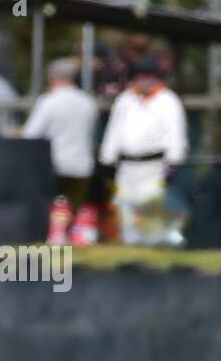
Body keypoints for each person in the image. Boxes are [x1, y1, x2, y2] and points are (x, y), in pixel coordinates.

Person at [98, 56, 189, 246]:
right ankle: (130, 244)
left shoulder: (167, 100)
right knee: (125, 204)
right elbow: (114, 130)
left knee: (150, 205)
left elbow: (175, 131)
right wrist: (107, 158)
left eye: (150, 75)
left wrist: (174, 162)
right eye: (141, 75)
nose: (145, 80)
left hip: (154, 164)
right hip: (127, 164)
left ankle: (151, 245)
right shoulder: (126, 99)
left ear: (157, 77)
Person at [23, 58, 98, 243]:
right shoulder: (88, 102)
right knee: (74, 208)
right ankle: (77, 240)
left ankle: (58, 240)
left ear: (53, 78)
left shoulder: (48, 102)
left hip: (55, 164)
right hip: (83, 164)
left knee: (57, 209)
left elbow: (31, 134)